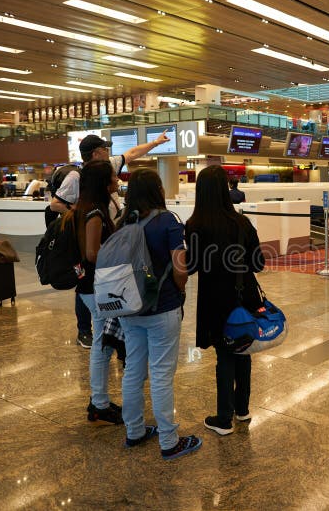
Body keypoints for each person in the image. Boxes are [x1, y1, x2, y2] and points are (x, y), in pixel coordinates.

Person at [50, 131, 170, 349]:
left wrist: (155, 142)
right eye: (105, 148)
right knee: (87, 282)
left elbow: (132, 153)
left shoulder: (110, 165)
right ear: (96, 153)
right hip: (90, 234)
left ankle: (111, 328)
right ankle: (85, 330)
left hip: (109, 233)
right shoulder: (76, 178)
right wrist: (80, 211)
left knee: (106, 284)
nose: (109, 152)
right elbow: (55, 204)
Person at [117, 169, 201, 460]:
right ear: (158, 190)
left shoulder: (123, 221)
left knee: (133, 371)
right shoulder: (168, 221)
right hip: (162, 306)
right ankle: (169, 440)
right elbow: (181, 268)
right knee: (162, 374)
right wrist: (180, 289)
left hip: (129, 308)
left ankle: (135, 431)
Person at [186, 165, 265, 436]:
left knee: (224, 356)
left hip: (215, 300)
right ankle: (242, 409)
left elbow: (192, 265)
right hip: (244, 297)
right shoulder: (242, 222)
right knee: (243, 350)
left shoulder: (195, 225)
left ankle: (223, 418)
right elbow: (259, 262)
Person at [72, 160, 123, 425]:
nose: (117, 181)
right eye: (113, 177)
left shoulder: (85, 208)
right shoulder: (94, 212)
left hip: (90, 286)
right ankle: (99, 404)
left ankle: (100, 401)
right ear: (104, 183)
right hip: (96, 286)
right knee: (102, 347)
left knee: (103, 345)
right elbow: (92, 253)